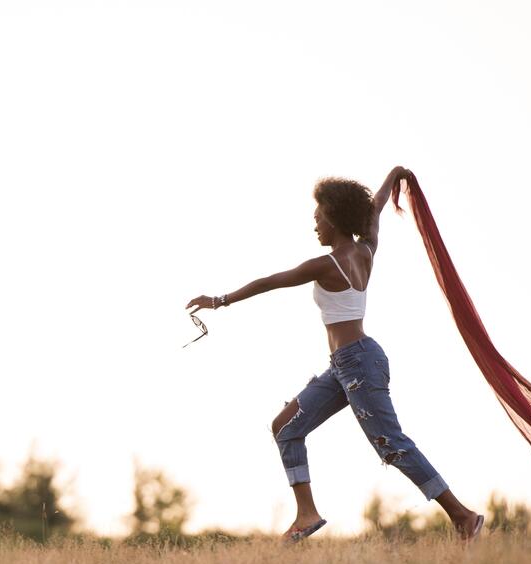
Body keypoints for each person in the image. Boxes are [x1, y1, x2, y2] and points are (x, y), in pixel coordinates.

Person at [186, 166, 485, 543]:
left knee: (392, 443)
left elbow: (268, 282)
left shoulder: (325, 265)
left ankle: (462, 516)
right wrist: (394, 176)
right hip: (347, 365)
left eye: (319, 219)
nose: (315, 227)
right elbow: (373, 212)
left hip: (358, 363)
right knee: (286, 427)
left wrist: (219, 300)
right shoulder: (365, 250)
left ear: (336, 220)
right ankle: (306, 514)